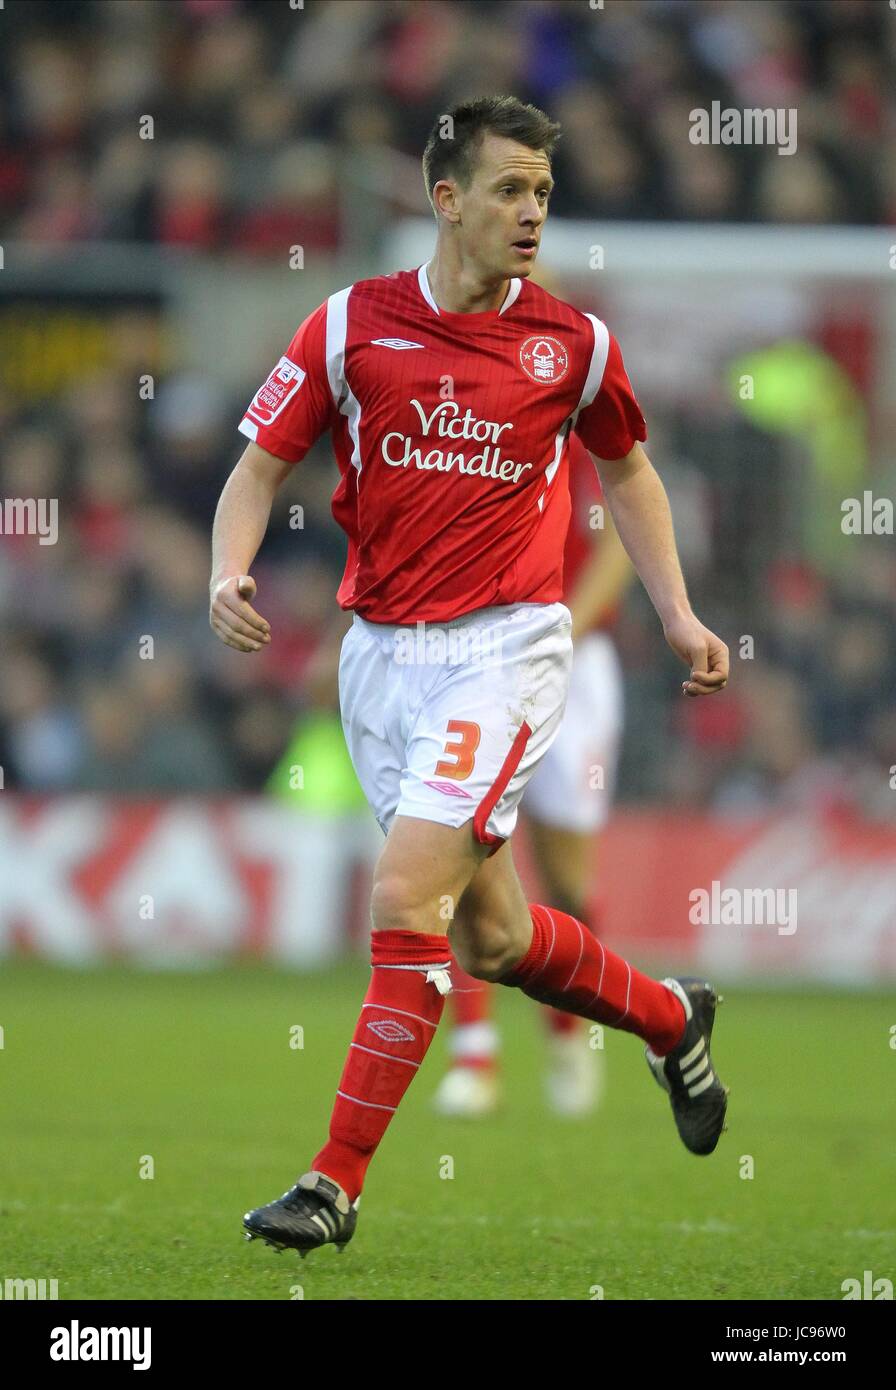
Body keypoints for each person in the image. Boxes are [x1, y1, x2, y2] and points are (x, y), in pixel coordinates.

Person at [210, 96, 730, 1258]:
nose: (531, 212)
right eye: (509, 190)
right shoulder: (348, 325)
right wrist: (225, 573)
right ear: (445, 201)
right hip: (379, 659)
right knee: (488, 938)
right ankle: (667, 1016)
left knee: (405, 900)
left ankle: (331, 1184)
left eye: (542, 192)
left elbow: (631, 474)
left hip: (504, 651)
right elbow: (257, 468)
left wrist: (677, 611)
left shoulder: (572, 344)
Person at [434, 430, 633, 1117]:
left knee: (568, 879)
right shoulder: (469, 426)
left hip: (575, 664)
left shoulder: (585, 426)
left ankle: (567, 1033)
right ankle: (475, 1056)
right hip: (480, 655)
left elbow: (620, 542)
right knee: (459, 847)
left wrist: (558, 637)